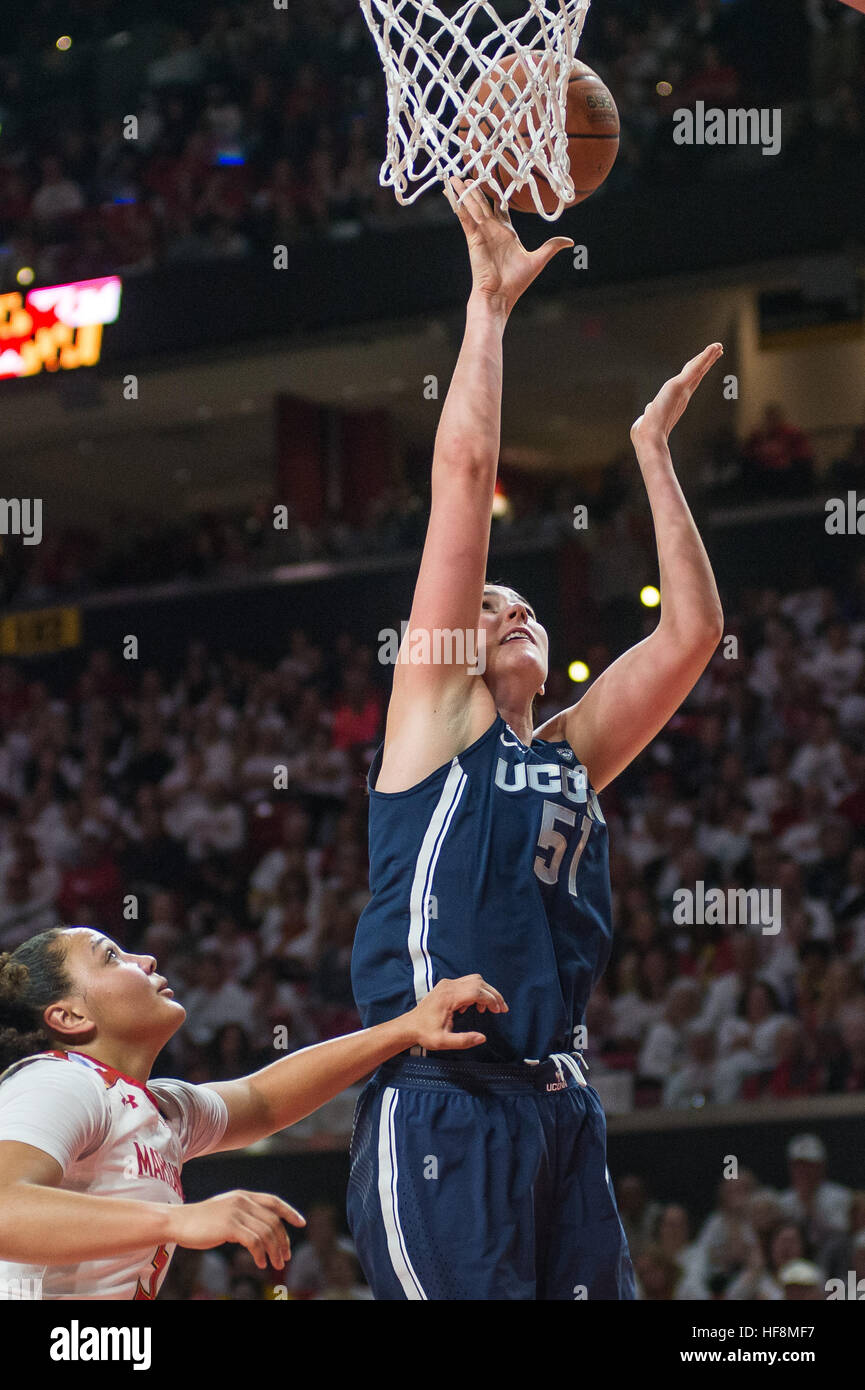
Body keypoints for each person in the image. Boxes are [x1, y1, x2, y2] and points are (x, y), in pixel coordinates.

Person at [348, 177, 725, 1300]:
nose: (511, 609)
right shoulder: (429, 718)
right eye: (490, 601)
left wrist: (651, 453)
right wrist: (490, 310)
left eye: (529, 604)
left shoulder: (566, 751)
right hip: (443, 1096)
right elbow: (462, 475)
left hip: (558, 1105)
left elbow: (694, 631)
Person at [0, 925, 505, 1300]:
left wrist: (406, 1028)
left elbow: (262, 1101)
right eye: (111, 957)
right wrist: (178, 1221)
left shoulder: (154, 1107)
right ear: (69, 1016)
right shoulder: (59, 1079)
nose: (147, 959)